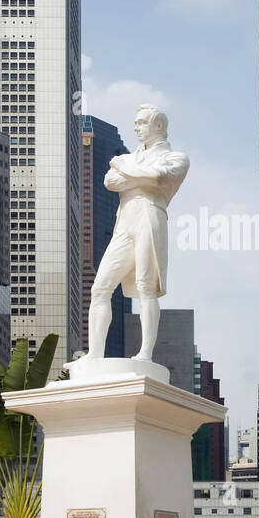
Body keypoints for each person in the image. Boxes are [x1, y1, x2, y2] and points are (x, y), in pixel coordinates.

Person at [83, 104, 189, 362]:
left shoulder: (176, 158)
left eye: (142, 122)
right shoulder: (132, 158)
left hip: (150, 216)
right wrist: (137, 174)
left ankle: (145, 354)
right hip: (124, 223)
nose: (136, 127)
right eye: (136, 122)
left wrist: (123, 165)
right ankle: (94, 354)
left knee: (146, 287)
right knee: (100, 288)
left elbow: (158, 177)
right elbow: (110, 182)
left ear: (159, 126)